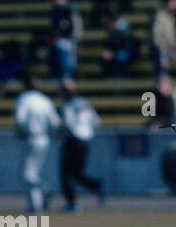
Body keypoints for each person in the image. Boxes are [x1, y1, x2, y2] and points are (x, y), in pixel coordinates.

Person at [14, 74, 59, 214]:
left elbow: (20, 120)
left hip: (30, 138)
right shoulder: (45, 100)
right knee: (33, 171)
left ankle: (44, 189)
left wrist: (19, 131)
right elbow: (55, 122)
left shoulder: (23, 99)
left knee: (27, 174)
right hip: (44, 138)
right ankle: (35, 205)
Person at [58, 80, 104, 211]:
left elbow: (68, 123)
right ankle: (96, 185)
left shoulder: (67, 104)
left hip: (73, 139)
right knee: (77, 172)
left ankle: (72, 202)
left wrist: (62, 134)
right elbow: (96, 121)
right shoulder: (84, 102)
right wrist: (88, 133)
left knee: (66, 173)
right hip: (85, 140)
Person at [47, 0, 83, 81]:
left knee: (66, 65)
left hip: (68, 40)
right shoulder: (56, 10)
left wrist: (71, 38)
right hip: (58, 40)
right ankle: (56, 76)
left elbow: (75, 27)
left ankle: (66, 79)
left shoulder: (69, 8)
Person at [99, 13, 138, 78]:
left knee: (119, 58)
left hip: (128, 53)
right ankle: (110, 77)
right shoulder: (113, 32)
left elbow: (127, 46)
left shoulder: (123, 31)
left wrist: (113, 53)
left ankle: (121, 77)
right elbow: (110, 46)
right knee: (102, 59)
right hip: (118, 52)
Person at [149, 0, 176, 77]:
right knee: (163, 69)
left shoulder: (173, 15)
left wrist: (174, 48)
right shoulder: (161, 16)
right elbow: (157, 33)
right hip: (163, 47)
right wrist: (161, 45)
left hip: (171, 47)